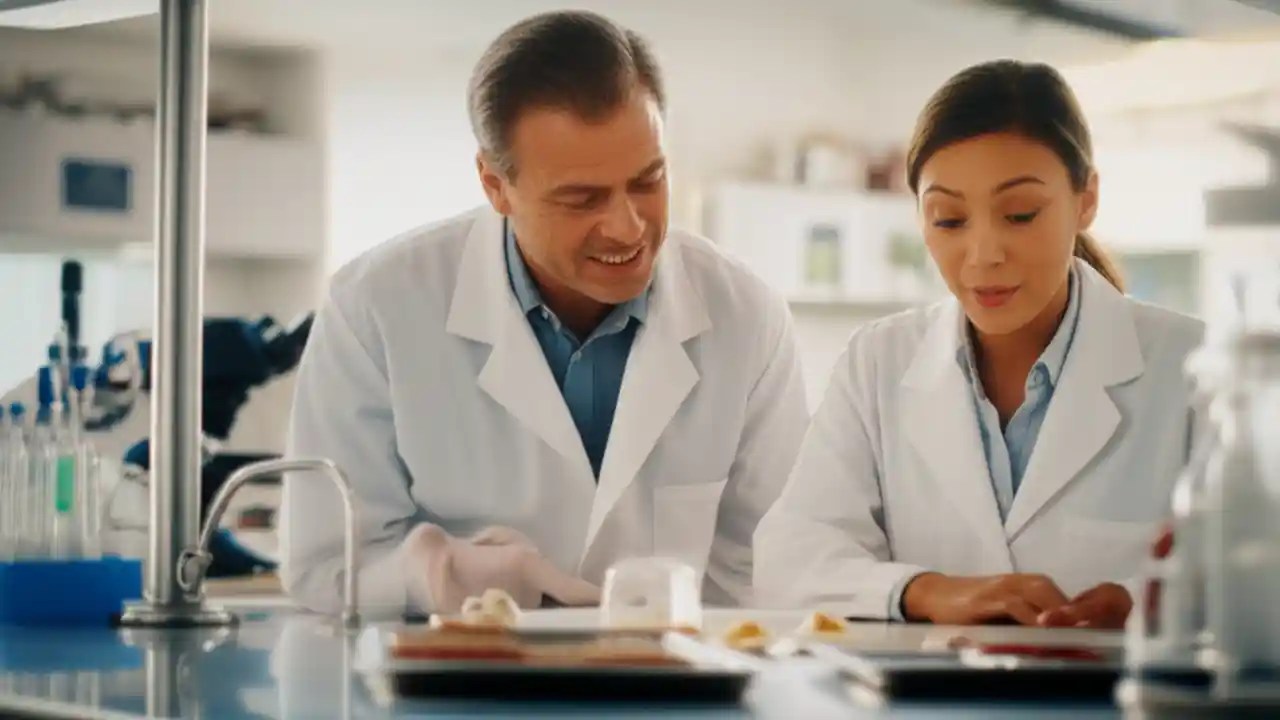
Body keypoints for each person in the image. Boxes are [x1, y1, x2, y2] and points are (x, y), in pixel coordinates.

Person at [282, 11, 808, 616]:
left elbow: (771, 560)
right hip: (459, 692)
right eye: (581, 199)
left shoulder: (747, 316)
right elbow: (325, 565)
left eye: (647, 181)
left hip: (674, 691)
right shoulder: (374, 306)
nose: (627, 226)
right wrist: (431, 575)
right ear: (495, 185)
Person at [753, 60, 1203, 629]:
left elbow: (1254, 571)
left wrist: (1153, 606)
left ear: (1085, 199)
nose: (983, 253)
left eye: (1019, 214)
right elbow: (789, 559)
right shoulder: (878, 362)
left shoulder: (1196, 368)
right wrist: (929, 591)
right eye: (948, 219)